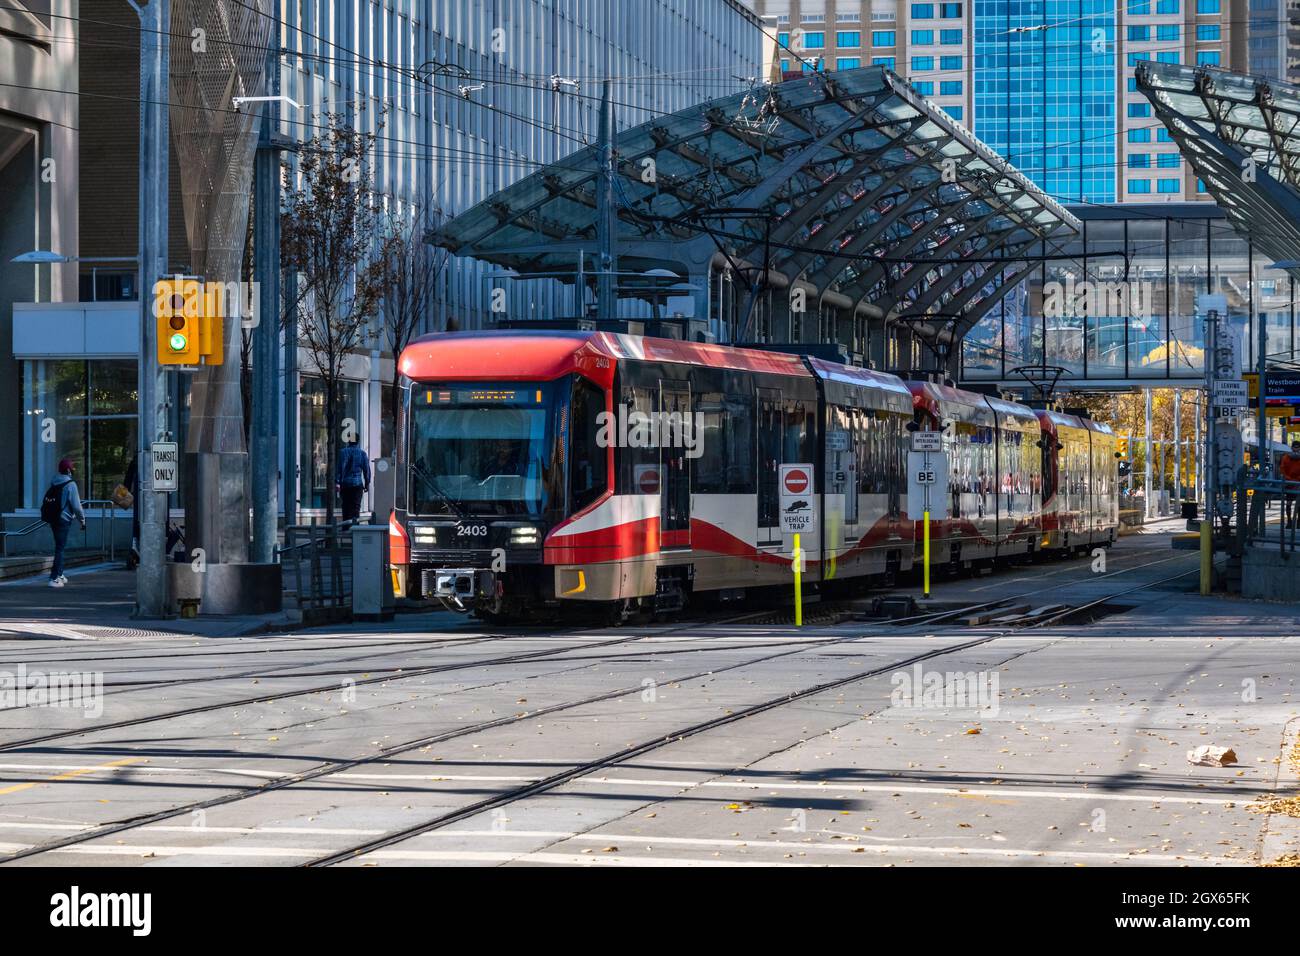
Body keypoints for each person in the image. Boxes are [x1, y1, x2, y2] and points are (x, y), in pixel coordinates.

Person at [41, 458, 86, 588]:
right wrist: (82, 520)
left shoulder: (54, 482)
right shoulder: (71, 485)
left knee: (59, 546)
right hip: (64, 519)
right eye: (71, 469)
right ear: (68, 470)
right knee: (60, 549)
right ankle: (54, 578)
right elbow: (76, 506)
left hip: (53, 518)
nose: (72, 471)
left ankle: (60, 574)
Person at [336, 436, 371, 523]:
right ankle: (355, 529)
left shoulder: (342, 452)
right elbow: (366, 470)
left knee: (346, 507)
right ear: (358, 441)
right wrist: (367, 483)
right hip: (357, 484)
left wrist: (337, 482)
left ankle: (345, 528)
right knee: (356, 507)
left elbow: (339, 469)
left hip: (345, 484)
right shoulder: (362, 453)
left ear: (349, 441)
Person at [1280, 440, 1300, 528]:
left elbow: (1282, 470)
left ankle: (1289, 522)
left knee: (1288, 503)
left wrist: (1288, 479)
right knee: (1298, 504)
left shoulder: (1285, 457)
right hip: (1298, 484)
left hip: (1289, 483)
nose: (1296, 449)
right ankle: (1298, 522)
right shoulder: (1286, 458)